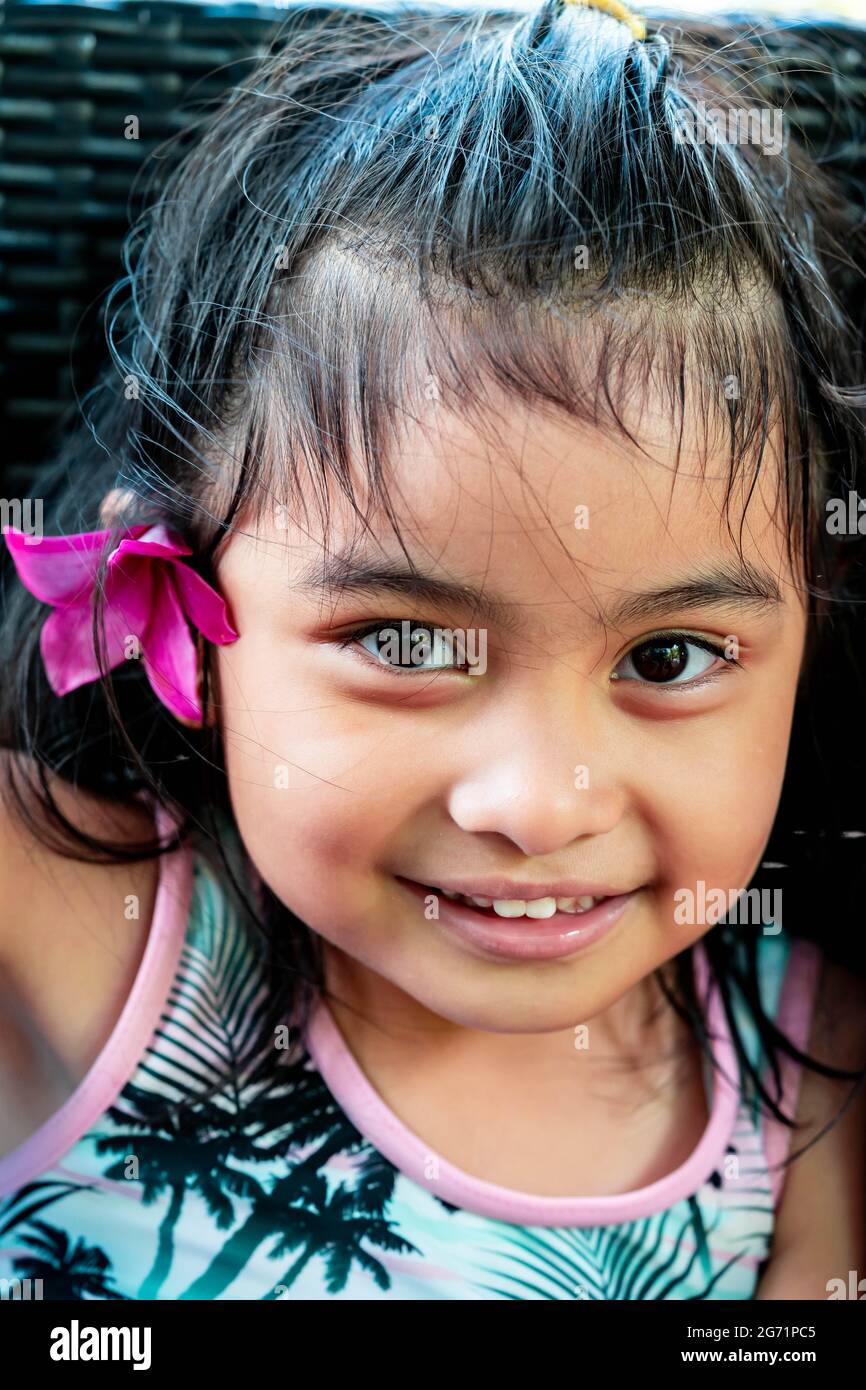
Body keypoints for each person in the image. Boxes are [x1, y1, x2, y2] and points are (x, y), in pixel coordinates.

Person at [0, 0, 864, 1301]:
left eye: (671, 657)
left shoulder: (806, 1065)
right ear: (178, 607)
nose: (534, 803)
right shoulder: (78, 925)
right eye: (404, 639)